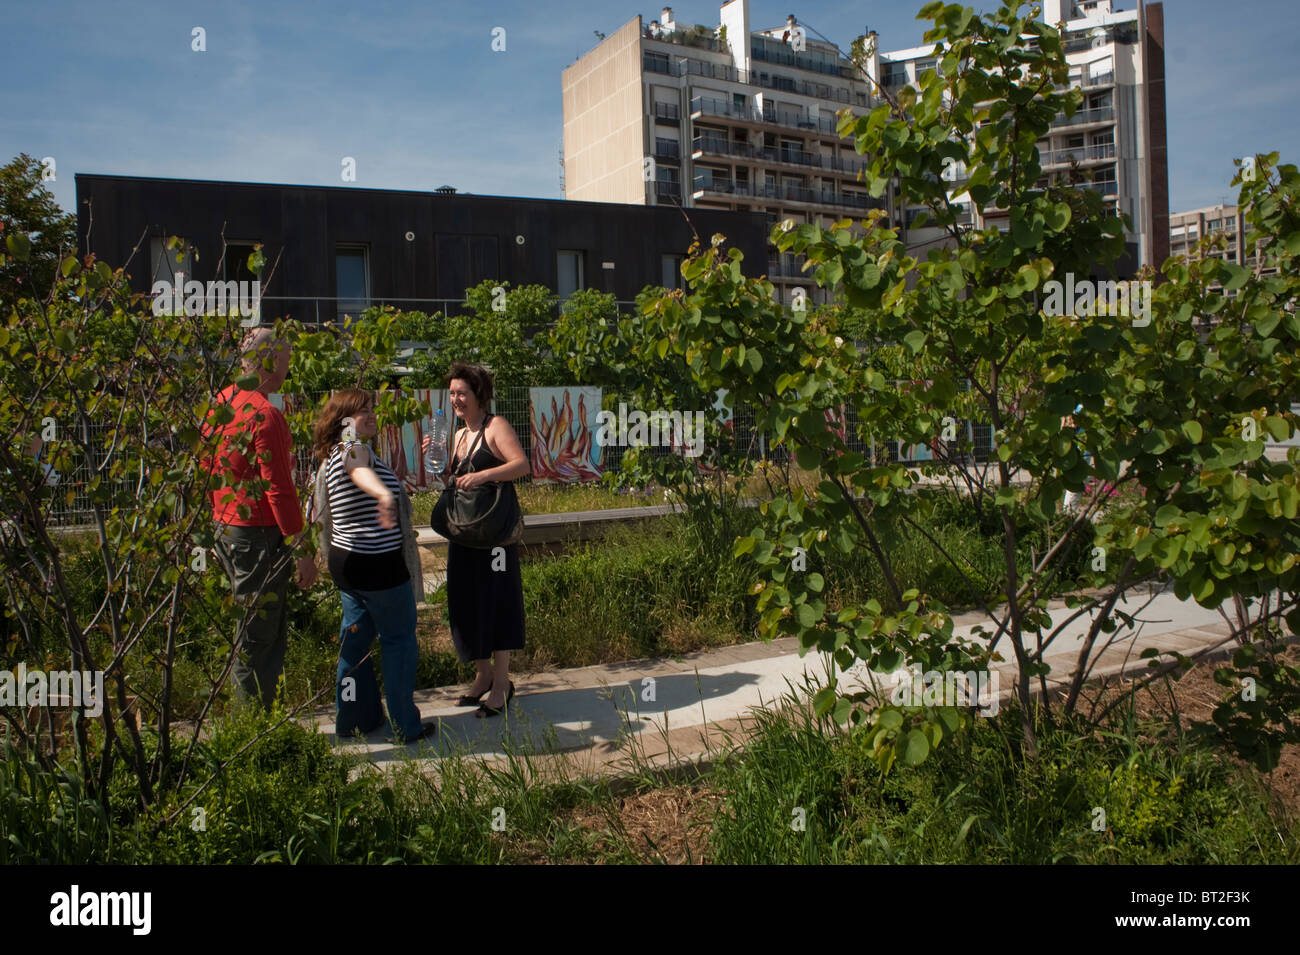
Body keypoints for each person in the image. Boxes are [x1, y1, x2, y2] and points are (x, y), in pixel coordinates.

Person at [313, 389, 434, 743]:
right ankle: (405, 725)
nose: (370, 415)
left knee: (355, 644)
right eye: (361, 411)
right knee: (398, 642)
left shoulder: (331, 456)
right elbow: (360, 470)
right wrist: (382, 493)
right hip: (378, 566)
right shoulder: (353, 449)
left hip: (348, 566)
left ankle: (355, 719)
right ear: (343, 421)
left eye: (371, 409)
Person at [208, 328, 318, 710]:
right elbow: (279, 490)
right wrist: (302, 549)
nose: (289, 366)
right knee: (260, 634)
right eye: (286, 358)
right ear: (270, 360)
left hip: (227, 528)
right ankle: (253, 726)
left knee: (250, 627)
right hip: (258, 536)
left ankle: (253, 717)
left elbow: (206, 467)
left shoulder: (220, 404)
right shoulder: (265, 414)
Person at [423, 363, 528, 718]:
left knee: (497, 603)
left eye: (462, 393)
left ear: (478, 395)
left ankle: (502, 684)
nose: (455, 399)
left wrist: (483, 474)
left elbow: (521, 465)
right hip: (465, 533)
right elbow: (455, 482)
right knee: (466, 603)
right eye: (452, 393)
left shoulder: (495, 426)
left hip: (494, 537)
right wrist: (436, 461)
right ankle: (482, 675)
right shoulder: (456, 434)